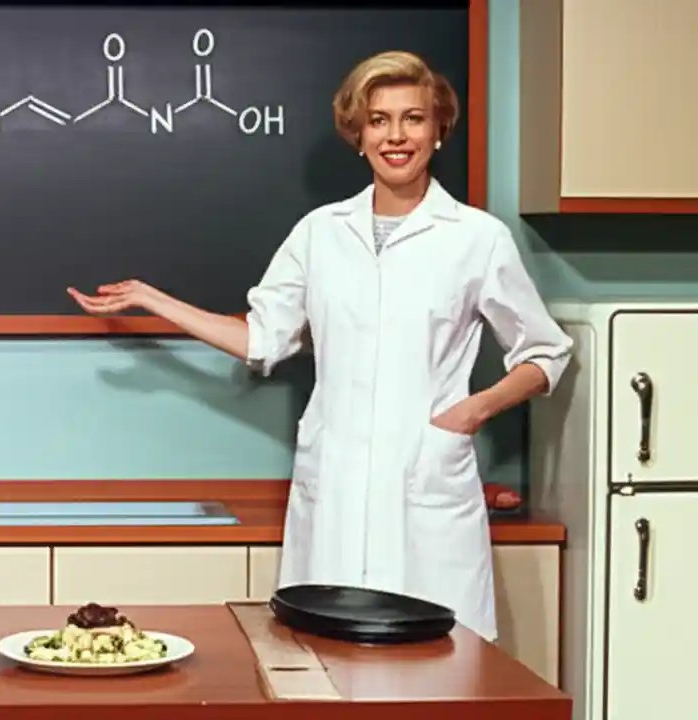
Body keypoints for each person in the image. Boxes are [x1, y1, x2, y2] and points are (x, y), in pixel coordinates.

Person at [67, 50, 573, 641]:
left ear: (438, 130)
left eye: (413, 119)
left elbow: (546, 353)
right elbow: (262, 338)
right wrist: (155, 299)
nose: (396, 136)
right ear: (358, 135)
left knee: (442, 667)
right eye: (379, 120)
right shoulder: (320, 233)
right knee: (327, 662)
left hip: (426, 482)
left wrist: (468, 414)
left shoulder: (478, 239)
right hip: (333, 484)